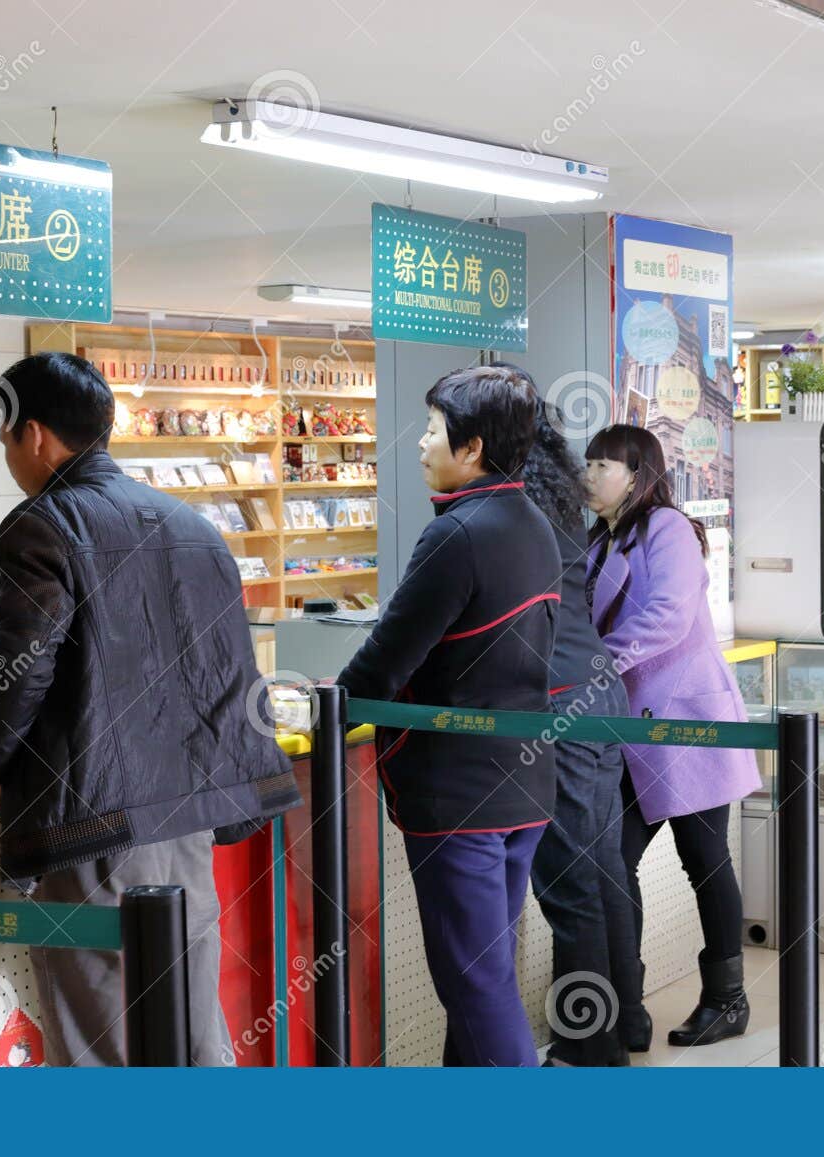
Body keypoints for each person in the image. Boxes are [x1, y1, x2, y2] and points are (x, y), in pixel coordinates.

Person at [0, 351, 301, 1067]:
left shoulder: (43, 524)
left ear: (33, 435)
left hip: (94, 819)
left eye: (4, 437)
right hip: (186, 814)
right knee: (189, 1024)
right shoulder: (192, 525)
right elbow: (225, 669)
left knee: (103, 1038)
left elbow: (21, 665)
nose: (8, 454)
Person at [337, 364, 558, 1067]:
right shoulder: (534, 523)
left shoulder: (459, 533)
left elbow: (384, 660)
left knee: (476, 984)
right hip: (521, 784)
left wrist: (326, 706)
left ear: (472, 448)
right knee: (485, 976)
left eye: (434, 428)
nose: (423, 442)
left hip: (460, 791)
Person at [583, 423, 761, 1050]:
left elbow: (669, 614)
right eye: (589, 462)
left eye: (603, 465)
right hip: (632, 726)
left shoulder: (668, 529)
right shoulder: (597, 539)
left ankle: (727, 999)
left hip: (687, 718)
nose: (590, 475)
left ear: (637, 475)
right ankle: (623, 1006)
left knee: (705, 860)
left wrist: (597, 662)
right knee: (610, 860)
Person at [505, 373, 633, 1067]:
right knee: (599, 871)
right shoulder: (554, 501)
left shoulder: (513, 510)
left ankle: (590, 1049)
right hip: (594, 696)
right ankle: (615, 1027)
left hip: (562, 707)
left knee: (572, 884)